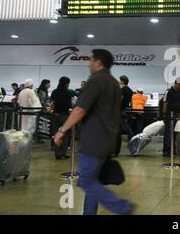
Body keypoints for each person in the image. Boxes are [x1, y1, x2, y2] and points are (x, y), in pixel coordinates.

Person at [54, 49, 134, 215]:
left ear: (98, 62)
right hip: (108, 139)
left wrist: (62, 130)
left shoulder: (96, 80)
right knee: (94, 181)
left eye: (90, 60)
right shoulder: (113, 83)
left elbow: (80, 110)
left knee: (86, 182)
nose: (88, 63)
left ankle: (122, 207)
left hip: (93, 141)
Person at [162, 77, 180, 157]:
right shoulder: (168, 91)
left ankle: (173, 149)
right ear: (176, 83)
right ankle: (166, 150)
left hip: (177, 115)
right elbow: (165, 104)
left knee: (175, 133)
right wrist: (164, 115)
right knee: (168, 133)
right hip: (169, 115)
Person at [50, 77, 73, 159]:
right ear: (66, 84)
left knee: (56, 134)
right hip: (65, 116)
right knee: (66, 135)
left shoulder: (54, 92)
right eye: (68, 83)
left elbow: (51, 104)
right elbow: (70, 106)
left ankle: (57, 154)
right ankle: (63, 153)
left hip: (55, 115)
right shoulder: (68, 93)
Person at [119, 76, 135, 141]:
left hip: (121, 109)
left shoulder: (122, 89)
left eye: (120, 80)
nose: (119, 81)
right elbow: (131, 101)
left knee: (124, 125)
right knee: (125, 125)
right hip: (127, 109)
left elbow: (120, 98)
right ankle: (131, 137)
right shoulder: (130, 90)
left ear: (122, 81)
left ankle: (132, 137)